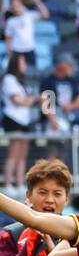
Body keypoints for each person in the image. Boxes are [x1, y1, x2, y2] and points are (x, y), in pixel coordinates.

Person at [2, 56, 39, 191]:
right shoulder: (9, 79)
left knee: (22, 155)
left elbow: (26, 99)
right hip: (13, 119)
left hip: (25, 120)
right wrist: (34, 99)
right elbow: (18, 100)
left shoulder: (23, 80)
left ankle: (19, 184)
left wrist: (30, 100)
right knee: (13, 153)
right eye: (22, 62)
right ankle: (7, 184)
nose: (24, 64)